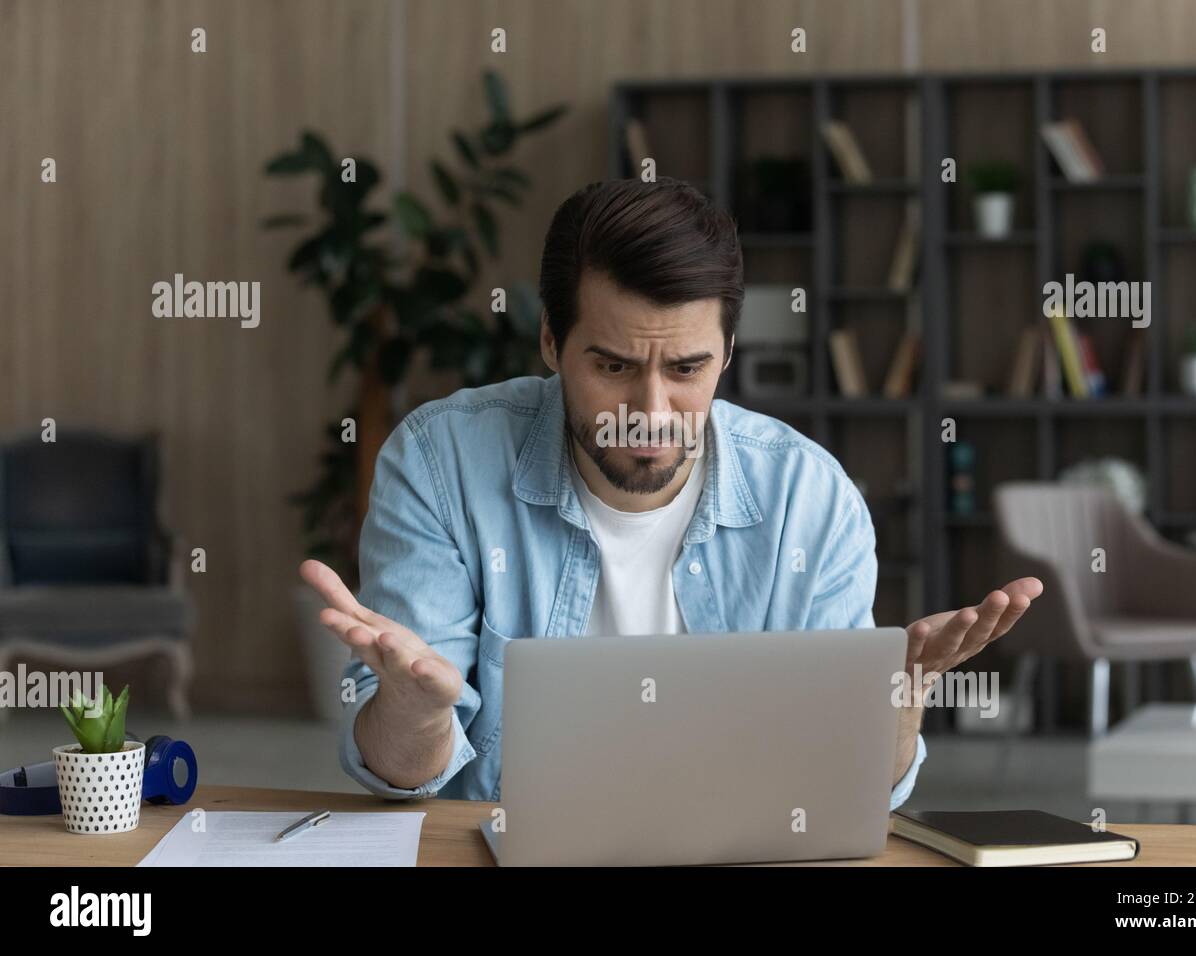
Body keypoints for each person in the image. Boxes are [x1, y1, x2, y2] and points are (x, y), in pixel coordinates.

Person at [300, 177, 1043, 805]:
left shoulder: (808, 498)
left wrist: (894, 706)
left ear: (727, 353)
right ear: (551, 343)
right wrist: (419, 715)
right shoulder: (442, 463)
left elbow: (847, 792)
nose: (649, 414)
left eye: (686, 369)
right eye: (615, 366)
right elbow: (400, 778)